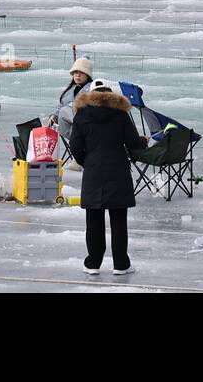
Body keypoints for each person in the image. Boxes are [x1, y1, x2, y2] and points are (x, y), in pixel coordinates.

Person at [69, 79, 146, 276]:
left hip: (93, 171)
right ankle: (121, 264)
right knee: (119, 220)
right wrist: (144, 142)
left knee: (93, 220)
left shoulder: (81, 115)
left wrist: (88, 162)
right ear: (111, 95)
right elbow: (133, 143)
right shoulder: (121, 114)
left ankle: (93, 263)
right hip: (118, 170)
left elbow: (75, 147)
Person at [55, 57, 94, 170]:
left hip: (88, 126)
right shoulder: (68, 91)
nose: (77, 75)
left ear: (88, 75)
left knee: (66, 111)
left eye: (81, 73)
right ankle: (79, 156)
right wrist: (54, 115)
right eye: (75, 72)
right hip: (71, 128)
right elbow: (60, 106)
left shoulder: (92, 89)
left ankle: (78, 157)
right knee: (63, 111)